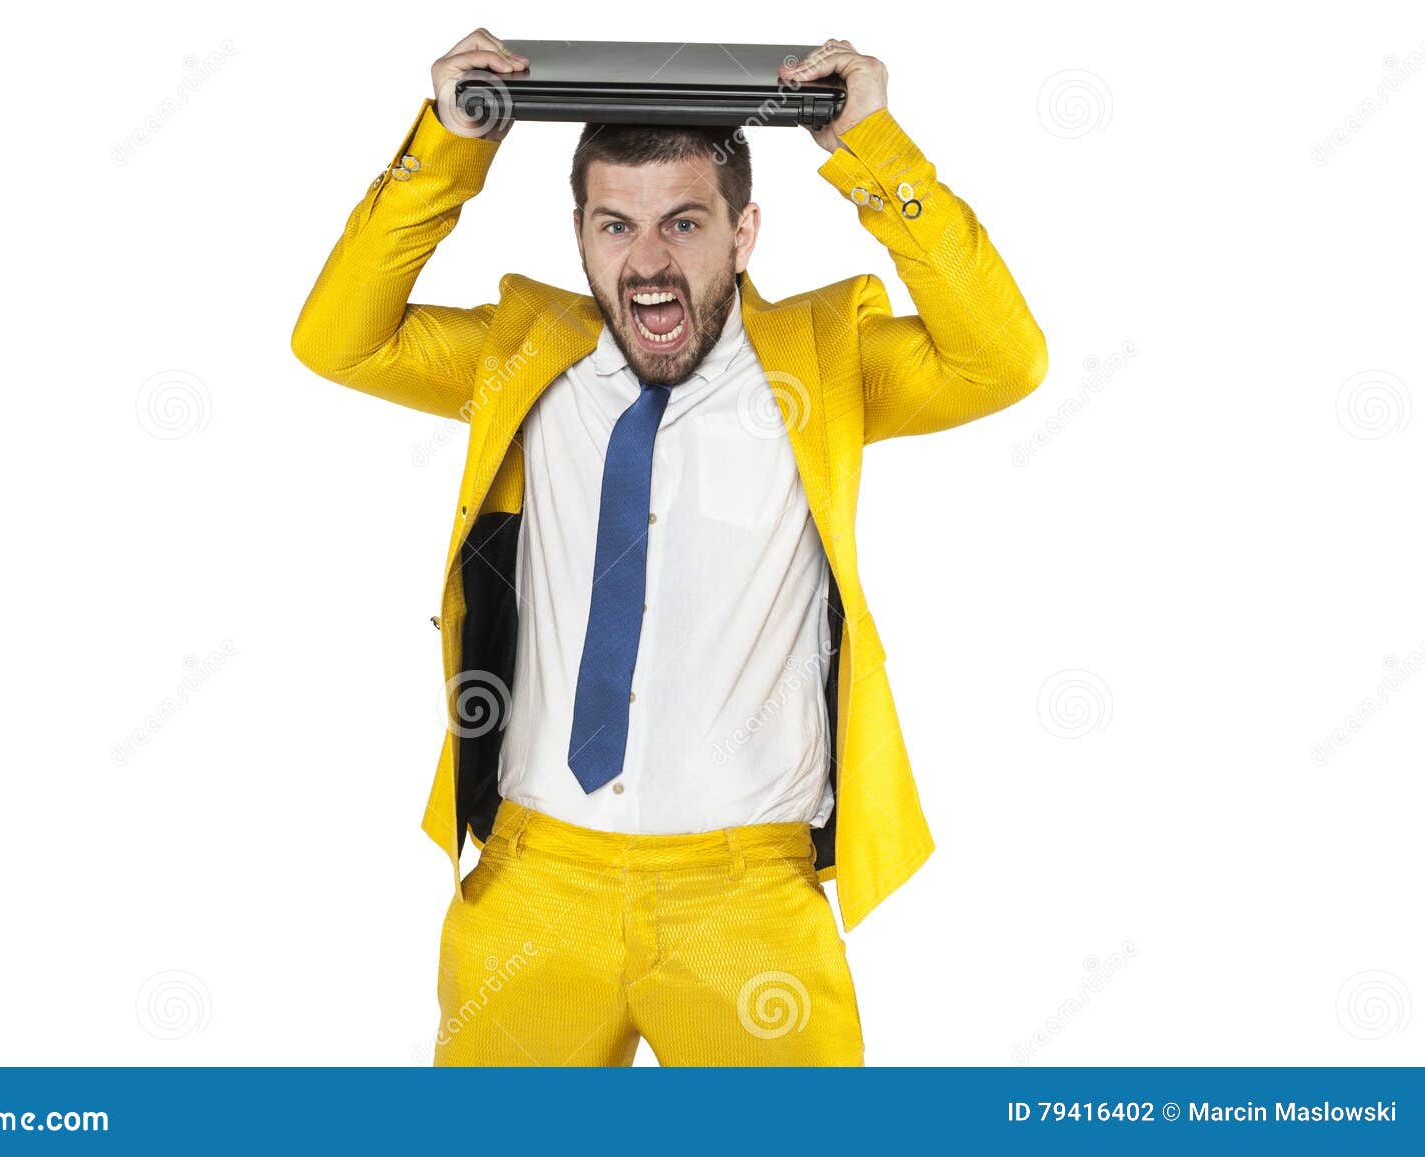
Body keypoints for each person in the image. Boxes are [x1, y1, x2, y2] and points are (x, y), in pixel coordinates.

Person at [291, 29, 1047, 1066]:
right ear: (580, 233)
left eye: (683, 223)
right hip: (534, 888)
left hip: (747, 903)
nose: (647, 260)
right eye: (616, 224)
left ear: (743, 232)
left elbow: (1002, 361)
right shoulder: (521, 353)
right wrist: (451, 145)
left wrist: (873, 147)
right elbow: (338, 340)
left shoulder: (823, 361)